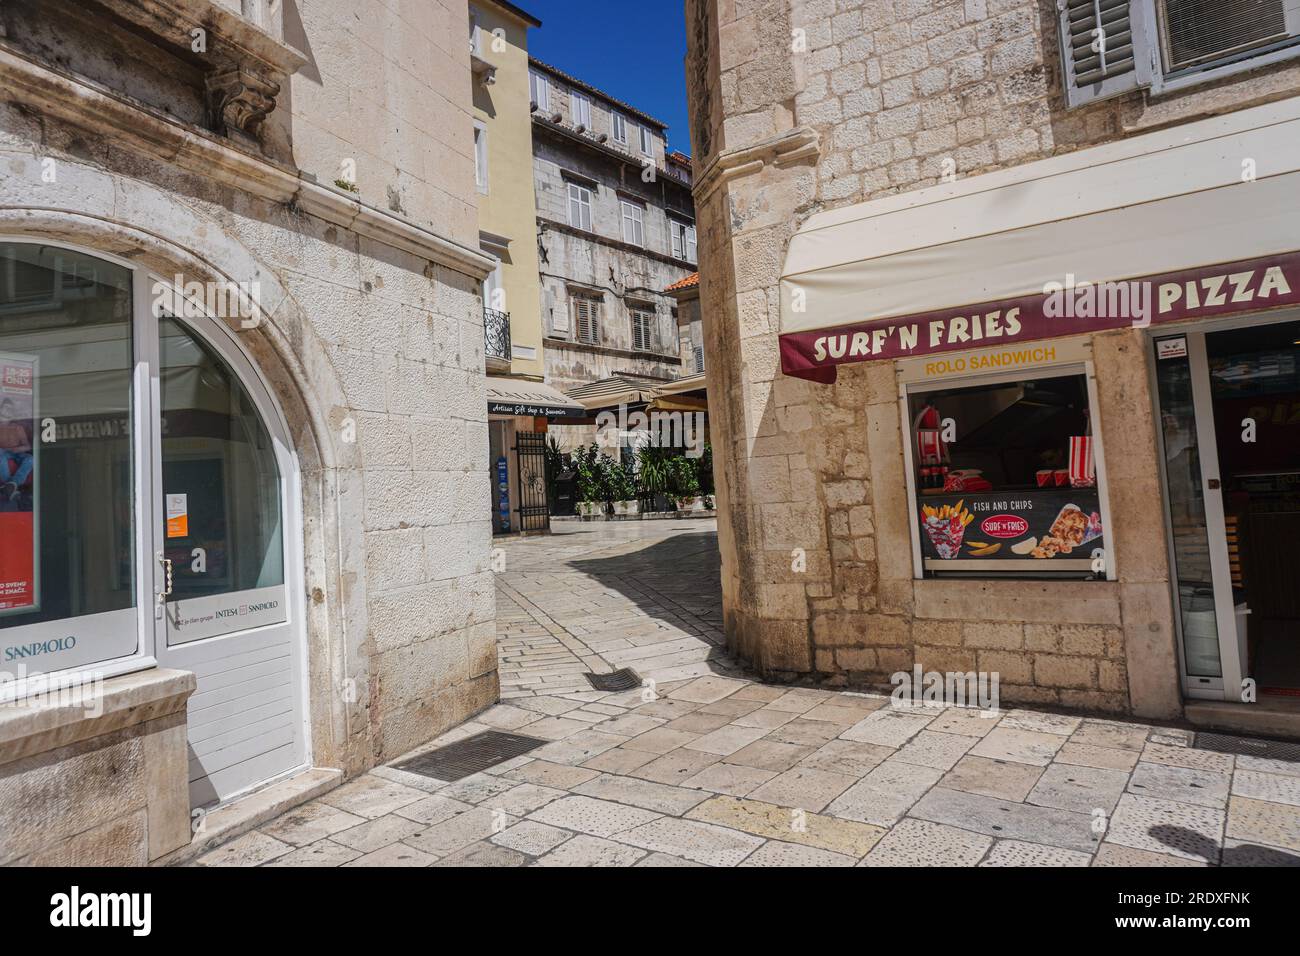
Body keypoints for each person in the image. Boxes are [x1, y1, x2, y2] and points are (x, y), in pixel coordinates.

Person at [0, 398, 33, 502]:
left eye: (10, 410)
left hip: (17, 453)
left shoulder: (18, 428)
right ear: (1, 410)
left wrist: (17, 449)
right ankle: (10, 487)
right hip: (3, 452)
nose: (7, 412)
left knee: (31, 459)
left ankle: (10, 485)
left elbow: (28, 446)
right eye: (5, 409)